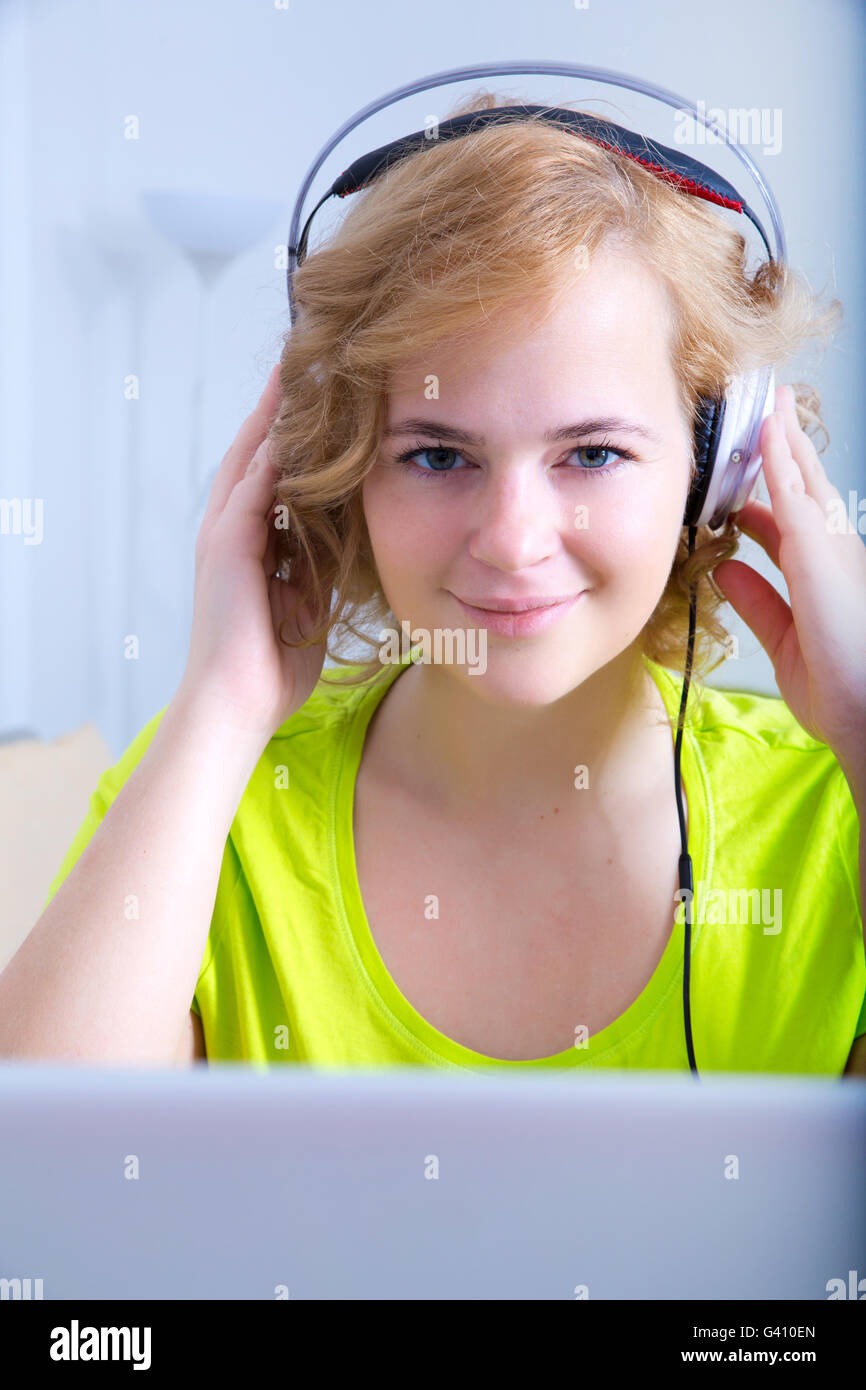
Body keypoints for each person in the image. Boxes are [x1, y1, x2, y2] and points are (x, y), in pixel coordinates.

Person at [2, 93, 863, 1074]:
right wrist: (223, 704)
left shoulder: (834, 807)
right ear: (338, 464)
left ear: (720, 466)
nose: (510, 539)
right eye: (436, 457)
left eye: (589, 453)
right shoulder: (214, 786)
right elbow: (33, 1191)